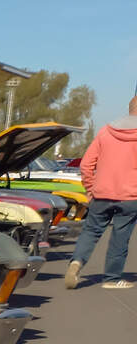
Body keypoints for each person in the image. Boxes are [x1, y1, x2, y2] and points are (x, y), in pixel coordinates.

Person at [65, 94, 137, 290]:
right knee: (120, 237)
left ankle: (76, 262)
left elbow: (87, 165)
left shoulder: (106, 131)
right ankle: (112, 279)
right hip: (130, 197)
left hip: (101, 194)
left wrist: (90, 189)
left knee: (91, 231)